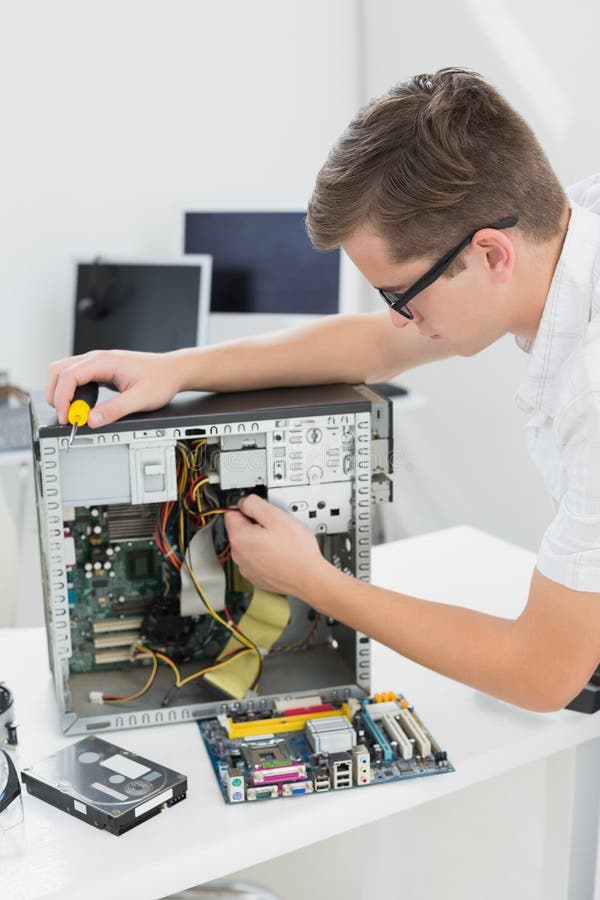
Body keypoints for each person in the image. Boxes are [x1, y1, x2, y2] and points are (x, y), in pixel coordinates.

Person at [46, 68, 600, 713]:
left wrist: (313, 580)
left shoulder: (590, 395)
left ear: (491, 254)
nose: (396, 316)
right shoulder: (566, 222)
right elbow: (374, 345)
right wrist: (176, 368)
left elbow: (540, 672)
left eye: (401, 294)